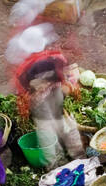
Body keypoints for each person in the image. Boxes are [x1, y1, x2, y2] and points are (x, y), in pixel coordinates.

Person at [6, 22, 80, 165]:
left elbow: (22, 91)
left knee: (47, 134)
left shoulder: (24, 69)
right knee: (68, 127)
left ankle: (56, 164)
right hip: (58, 99)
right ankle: (78, 156)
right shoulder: (56, 58)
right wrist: (70, 85)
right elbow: (68, 77)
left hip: (41, 107)